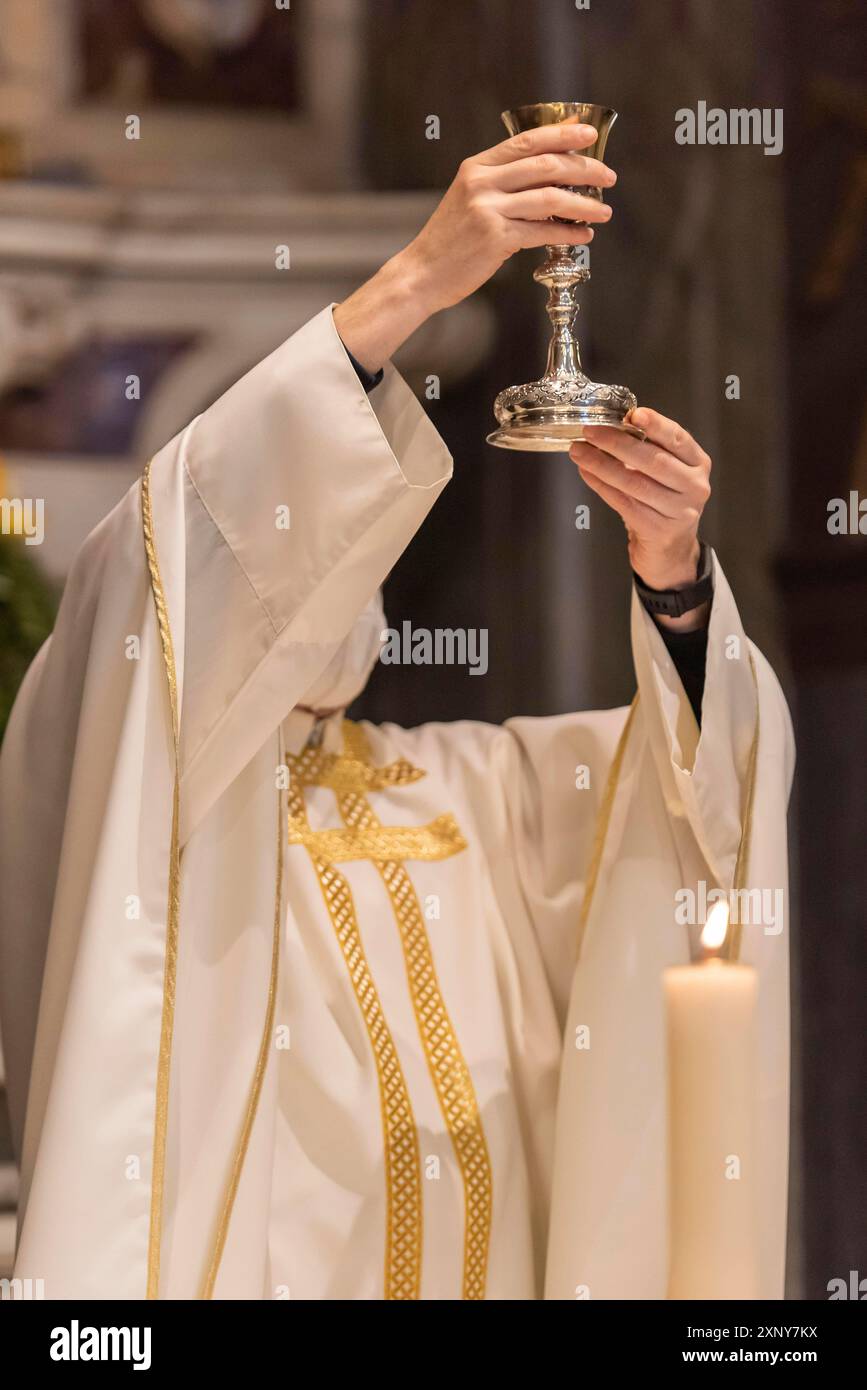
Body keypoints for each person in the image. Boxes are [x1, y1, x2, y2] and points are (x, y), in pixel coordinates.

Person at [0, 119, 793, 1300]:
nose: (312, 555)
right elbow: (155, 573)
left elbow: (692, 804)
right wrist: (416, 283)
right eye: (292, 500)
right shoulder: (144, 787)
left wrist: (673, 576)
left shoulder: (481, 790)